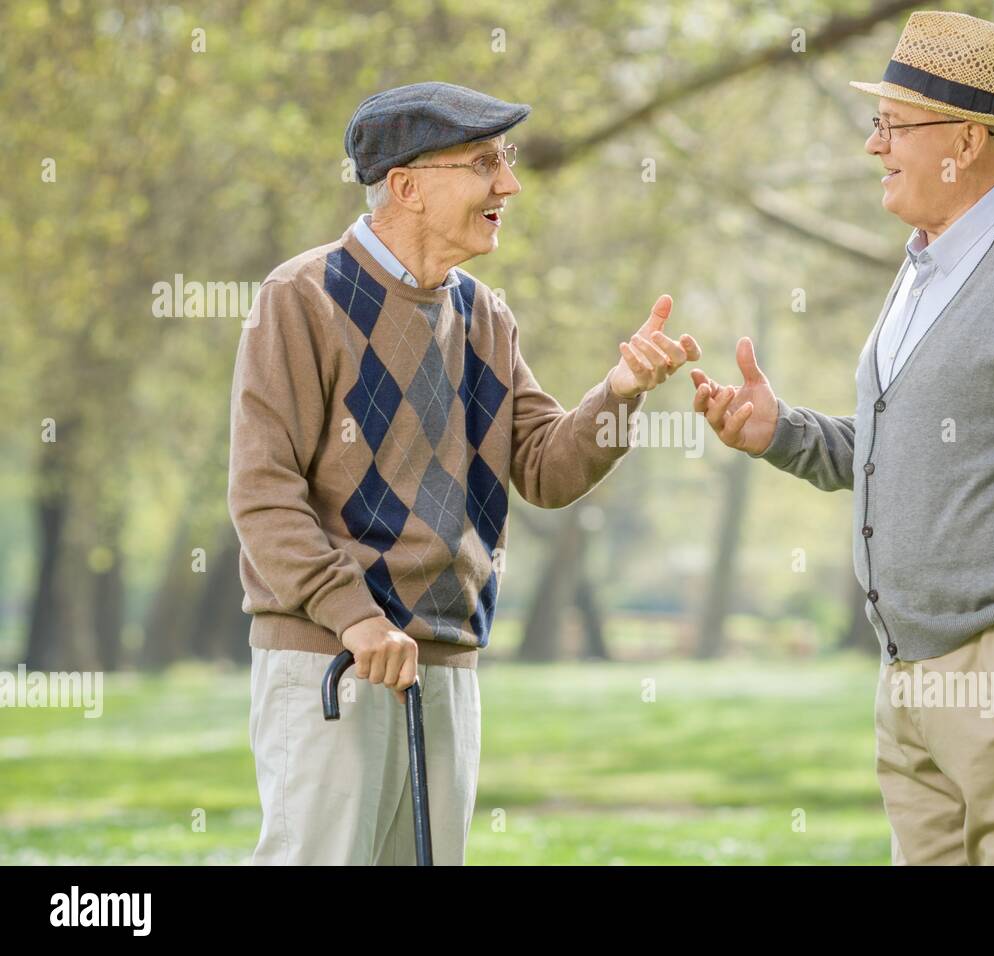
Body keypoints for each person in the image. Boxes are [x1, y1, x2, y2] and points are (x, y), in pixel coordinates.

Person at [691, 11, 994, 864]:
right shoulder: (918, 269)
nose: (875, 147)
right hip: (908, 684)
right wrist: (779, 433)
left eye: (893, 125)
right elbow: (889, 453)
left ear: (969, 139)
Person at [229, 81, 700, 864]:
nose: (507, 185)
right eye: (485, 163)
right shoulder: (300, 298)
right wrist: (355, 616)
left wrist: (619, 393)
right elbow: (264, 494)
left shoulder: (484, 314)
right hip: (334, 658)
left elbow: (546, 467)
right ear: (407, 186)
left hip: (446, 662)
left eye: (505, 160)